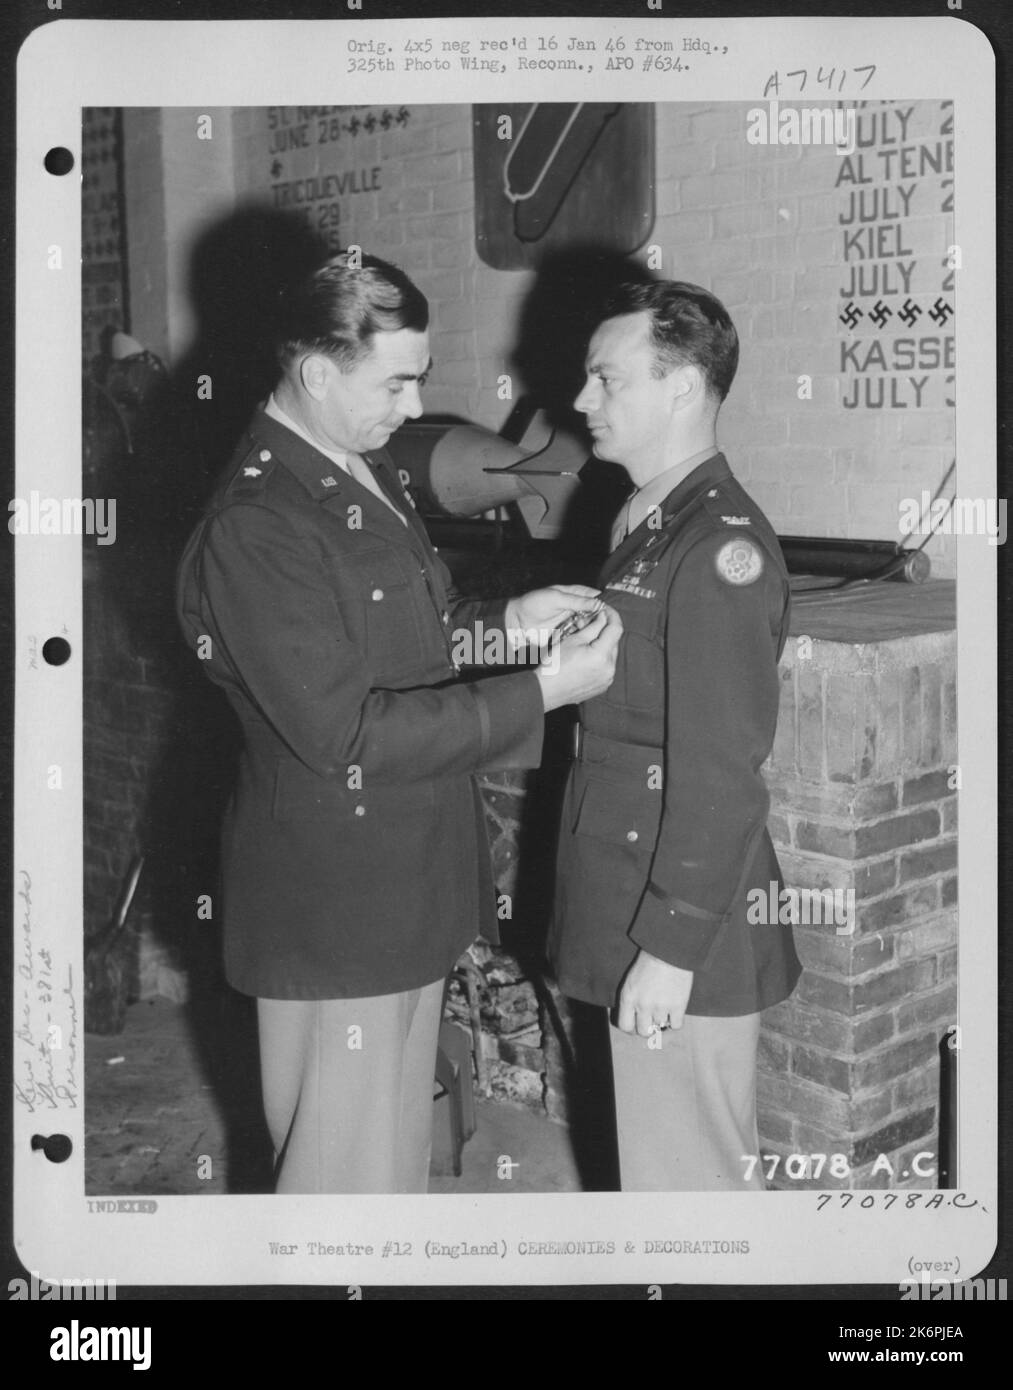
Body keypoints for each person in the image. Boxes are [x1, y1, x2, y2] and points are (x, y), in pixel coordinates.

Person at [176, 251, 621, 1193]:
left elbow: (410, 642)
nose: (416, 407)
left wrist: (507, 624)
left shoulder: (355, 466)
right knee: (343, 1181)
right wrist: (542, 690)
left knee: (386, 1163)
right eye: (398, 380)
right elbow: (348, 737)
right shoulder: (259, 524)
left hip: (397, 884)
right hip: (339, 904)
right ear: (316, 373)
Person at [548, 279, 801, 1191]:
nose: (580, 401)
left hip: (677, 927)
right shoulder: (650, 523)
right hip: (637, 894)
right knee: (658, 1174)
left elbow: (722, 772)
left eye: (604, 379)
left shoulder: (716, 547)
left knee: (688, 1188)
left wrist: (668, 946)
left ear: (683, 386)